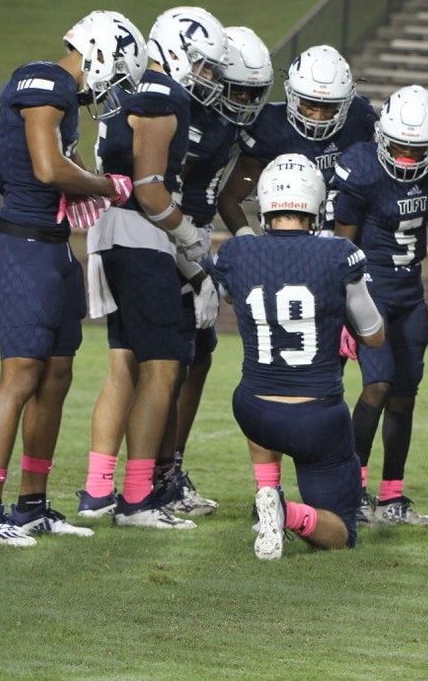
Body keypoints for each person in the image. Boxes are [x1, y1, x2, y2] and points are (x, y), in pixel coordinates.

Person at [0, 9, 144, 546]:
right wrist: (103, 187)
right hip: (22, 245)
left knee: (56, 377)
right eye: (116, 71)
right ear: (98, 51)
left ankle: (32, 505)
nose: (112, 87)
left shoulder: (62, 97)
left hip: (52, 246)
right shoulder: (43, 80)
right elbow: (46, 168)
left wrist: (84, 190)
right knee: (20, 375)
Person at [76, 6, 220, 529]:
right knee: (162, 367)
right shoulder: (163, 95)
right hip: (139, 238)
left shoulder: (131, 94)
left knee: (123, 366)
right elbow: (151, 189)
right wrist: (192, 247)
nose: (205, 79)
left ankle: (97, 490)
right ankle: (138, 497)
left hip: (113, 235)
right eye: (202, 66)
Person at [212, 153, 386, 559]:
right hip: (317, 417)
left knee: (257, 387)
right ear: (317, 205)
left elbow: (226, 297)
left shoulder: (239, 254)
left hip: (254, 411)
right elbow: (373, 335)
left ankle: (267, 492)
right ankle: (285, 512)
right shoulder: (338, 254)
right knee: (341, 531)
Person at [154, 26, 272, 519]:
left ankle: (170, 466)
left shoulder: (232, 124)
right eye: (237, 89)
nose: (244, 101)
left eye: (253, 93)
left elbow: (229, 192)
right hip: (166, 237)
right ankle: (152, 476)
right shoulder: (182, 111)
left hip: (196, 238)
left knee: (198, 356)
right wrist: (192, 260)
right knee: (163, 363)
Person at [334, 85, 428, 527]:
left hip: (410, 295)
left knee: (405, 397)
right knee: (378, 385)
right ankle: (353, 490)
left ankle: (391, 497)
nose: (407, 158)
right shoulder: (363, 169)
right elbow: (341, 246)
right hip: (369, 291)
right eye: (399, 147)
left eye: (416, 149)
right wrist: (341, 312)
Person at [217, 44, 375, 237]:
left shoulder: (359, 118)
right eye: (309, 104)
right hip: (289, 239)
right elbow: (230, 197)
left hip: (345, 234)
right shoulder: (269, 128)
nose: (317, 116)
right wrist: (247, 239)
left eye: (329, 106)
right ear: (292, 95)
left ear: (347, 101)